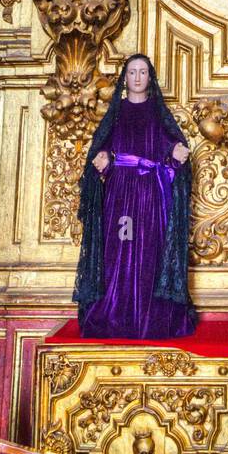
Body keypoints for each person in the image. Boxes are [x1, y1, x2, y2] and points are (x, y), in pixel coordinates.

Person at [75, 54, 197, 339]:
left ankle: (150, 319)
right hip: (121, 196)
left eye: (143, 72)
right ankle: (118, 316)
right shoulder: (116, 114)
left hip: (152, 195)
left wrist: (177, 155)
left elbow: (173, 152)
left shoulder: (157, 113)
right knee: (121, 246)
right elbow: (100, 150)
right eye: (132, 72)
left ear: (149, 78)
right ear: (125, 78)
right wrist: (102, 157)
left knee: (150, 251)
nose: (138, 77)